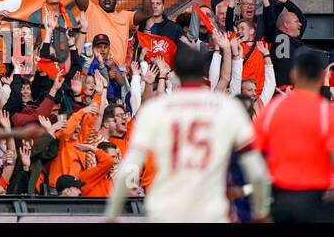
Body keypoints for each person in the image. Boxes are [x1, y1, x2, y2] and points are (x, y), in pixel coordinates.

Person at [105, 47, 271, 223]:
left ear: (176, 71)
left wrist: (112, 214)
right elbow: (256, 169)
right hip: (210, 211)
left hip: (166, 211)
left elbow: (130, 165)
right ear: (202, 72)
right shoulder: (227, 107)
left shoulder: (155, 109)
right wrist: (261, 212)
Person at [252, 48, 334, 223]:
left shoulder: (273, 109)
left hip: (279, 201)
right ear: (321, 77)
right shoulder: (327, 112)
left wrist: (260, 207)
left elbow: (253, 158)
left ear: (294, 74)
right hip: (317, 201)